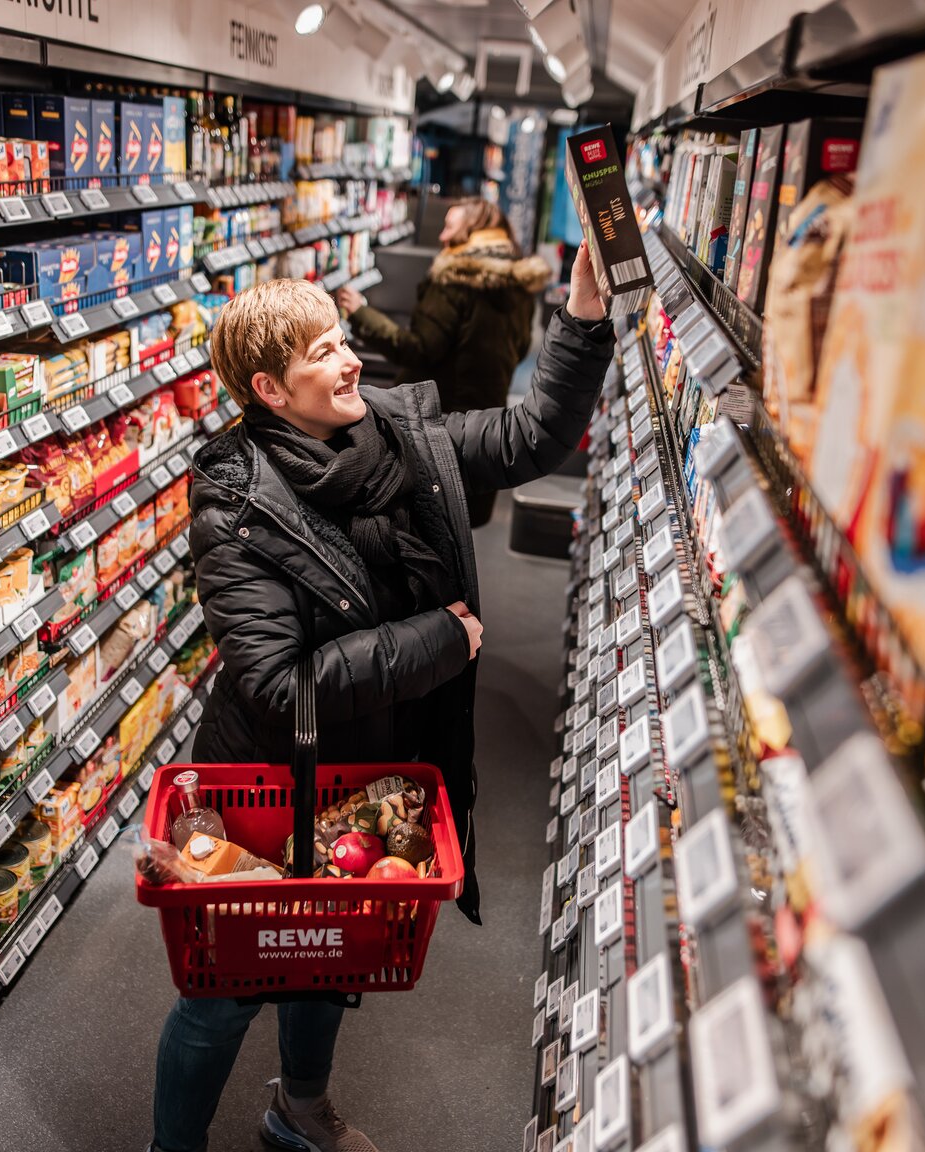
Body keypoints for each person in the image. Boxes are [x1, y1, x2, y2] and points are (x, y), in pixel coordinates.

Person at [154, 243, 611, 1152]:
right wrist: (442, 638)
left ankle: (300, 1109)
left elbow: (530, 438)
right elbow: (284, 688)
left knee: (327, 961)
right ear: (269, 389)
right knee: (225, 993)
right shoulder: (235, 501)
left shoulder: (401, 430)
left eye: (341, 337)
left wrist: (585, 318)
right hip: (267, 779)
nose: (351, 357)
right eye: (320, 352)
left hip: (371, 767)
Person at [334, 198, 553, 527]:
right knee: (458, 522)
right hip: (485, 422)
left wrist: (363, 313)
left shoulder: (454, 279)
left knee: (422, 521)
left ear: (471, 232)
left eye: (450, 227)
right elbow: (519, 349)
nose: (442, 236)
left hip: (437, 422)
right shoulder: (517, 281)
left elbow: (419, 349)